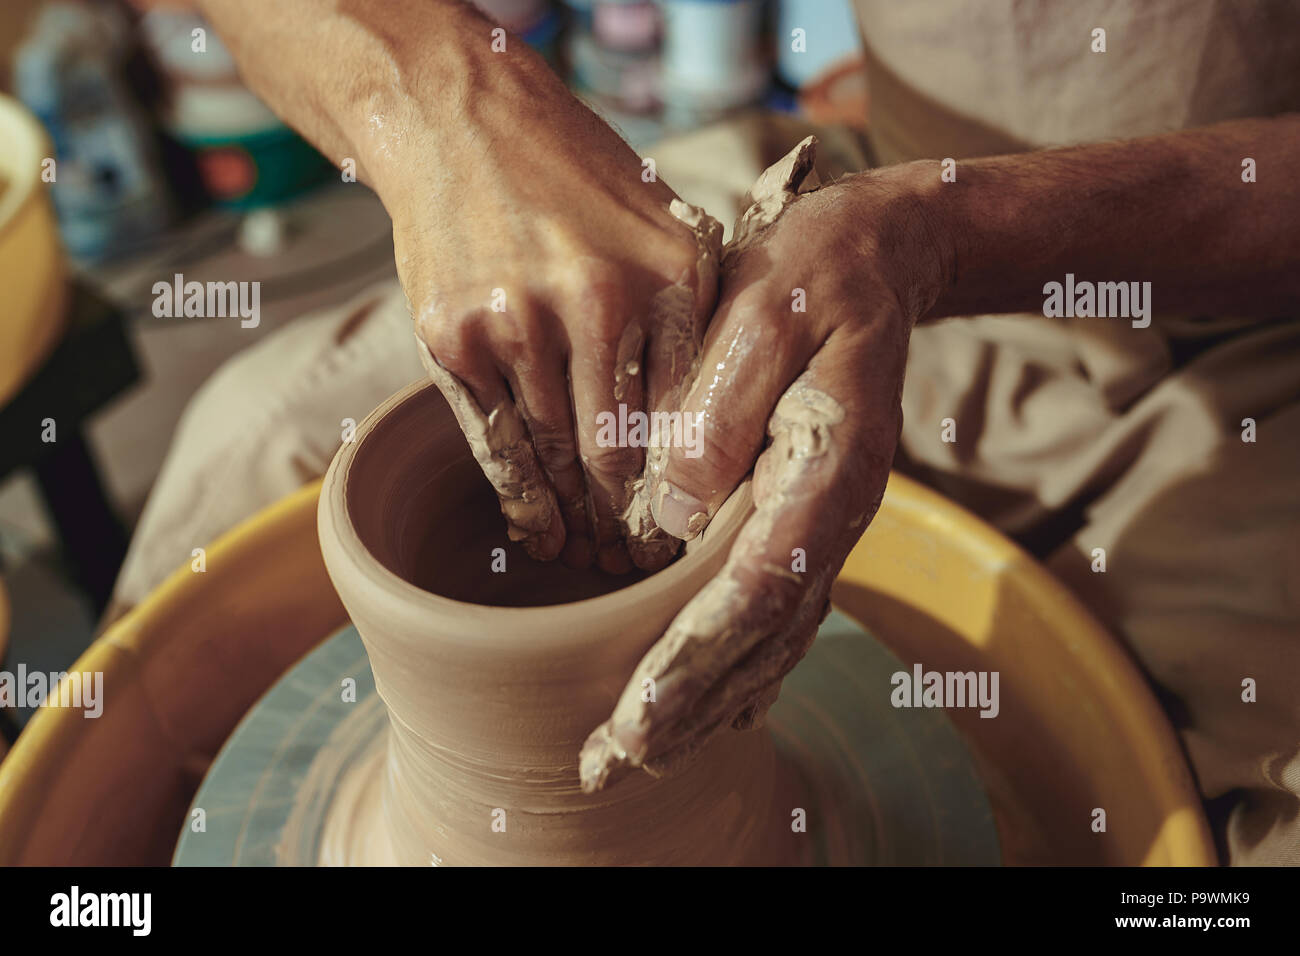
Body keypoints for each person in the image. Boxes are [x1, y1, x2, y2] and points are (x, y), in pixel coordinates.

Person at [114, 0, 1299, 863]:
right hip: (857, 190)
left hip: (1226, 312)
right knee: (252, 437)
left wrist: (940, 237)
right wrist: (436, 93)